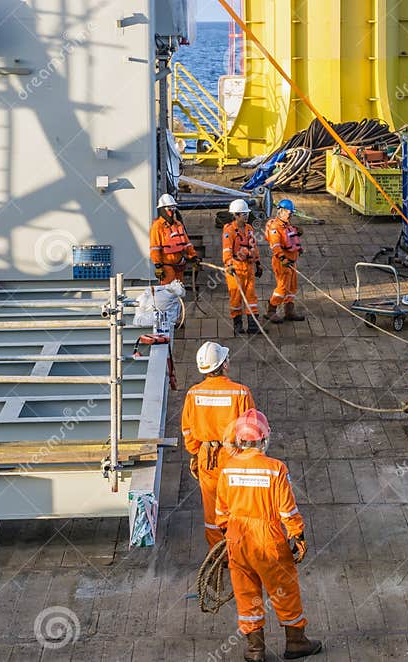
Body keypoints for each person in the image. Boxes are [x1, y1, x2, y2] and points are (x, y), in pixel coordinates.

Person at [215, 409, 322, 662]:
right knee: (284, 589)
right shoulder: (275, 469)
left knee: (246, 592)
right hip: (267, 538)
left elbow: (220, 513)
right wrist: (298, 536)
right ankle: (295, 643)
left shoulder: (227, 470)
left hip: (237, 538)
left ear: (239, 440)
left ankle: (255, 651)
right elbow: (287, 510)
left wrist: (230, 537)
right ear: (264, 440)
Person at [181, 342, 255, 548]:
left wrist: (196, 453)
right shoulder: (240, 393)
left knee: (212, 507)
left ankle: (217, 551)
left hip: (207, 457)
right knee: (238, 503)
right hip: (235, 456)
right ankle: (239, 547)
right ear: (224, 365)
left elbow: (187, 429)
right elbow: (250, 430)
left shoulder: (193, 394)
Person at [223, 199, 262, 335]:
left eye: (247, 214)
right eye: (244, 214)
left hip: (249, 267)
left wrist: (258, 263)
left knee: (251, 297)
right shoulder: (229, 231)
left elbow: (254, 247)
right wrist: (229, 265)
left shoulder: (249, 229)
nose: (246, 216)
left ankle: (253, 326)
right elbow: (227, 251)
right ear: (236, 215)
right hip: (235, 269)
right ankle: (237, 325)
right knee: (236, 298)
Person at [264, 199, 305, 323]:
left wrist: (299, 248)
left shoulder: (287, 225)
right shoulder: (275, 228)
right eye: (288, 212)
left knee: (292, 287)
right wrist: (282, 258)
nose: (290, 214)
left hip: (292, 261)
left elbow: (291, 239)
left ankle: (289, 311)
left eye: (291, 212)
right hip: (282, 262)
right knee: (282, 288)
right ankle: (271, 310)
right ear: (281, 211)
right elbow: (275, 245)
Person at [150, 193, 199, 284]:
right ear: (162, 210)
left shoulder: (178, 225)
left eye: (173, 208)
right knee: (169, 293)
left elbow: (187, 243)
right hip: (166, 266)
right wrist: (158, 265)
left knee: (179, 292)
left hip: (179, 265)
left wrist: (193, 257)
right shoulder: (158, 226)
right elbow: (155, 247)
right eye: (169, 208)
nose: (172, 211)